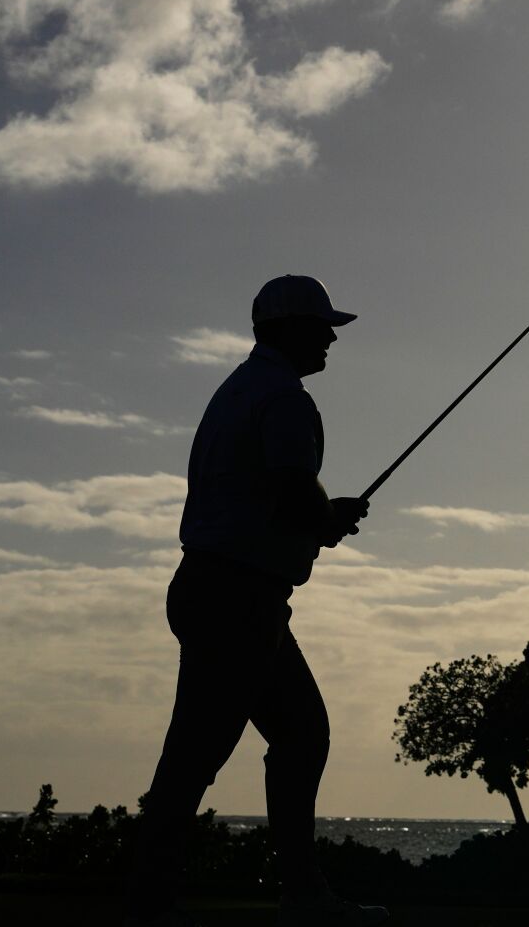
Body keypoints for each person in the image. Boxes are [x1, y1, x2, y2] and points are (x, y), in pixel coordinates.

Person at [124, 275, 386, 927]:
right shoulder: (284, 399)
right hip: (237, 595)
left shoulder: (240, 390)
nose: (330, 337)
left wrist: (321, 516)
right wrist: (328, 519)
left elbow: (276, 495)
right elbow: (294, 491)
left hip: (217, 587)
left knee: (294, 733)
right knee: (201, 752)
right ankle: (157, 902)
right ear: (290, 328)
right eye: (322, 326)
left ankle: (290, 892)